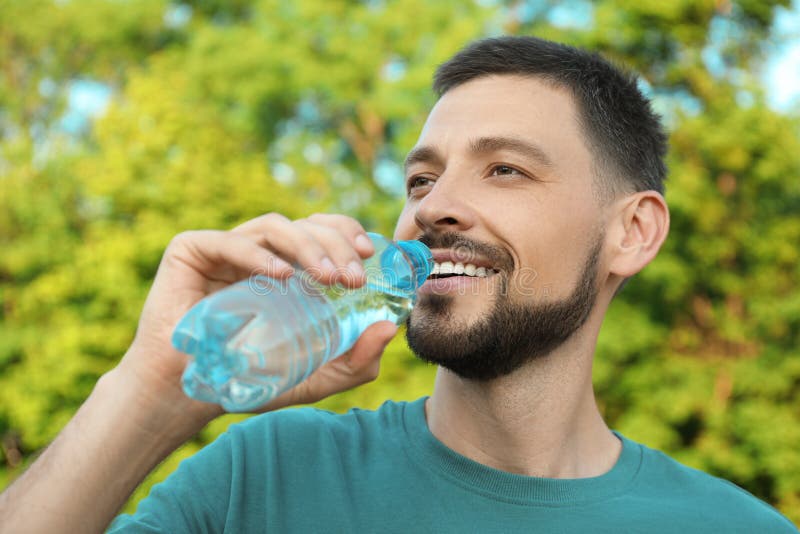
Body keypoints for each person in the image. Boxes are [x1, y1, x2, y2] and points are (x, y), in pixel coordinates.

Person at [0, 36, 796, 533]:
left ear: (634, 232)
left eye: (505, 170)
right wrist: (154, 389)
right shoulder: (265, 481)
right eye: (419, 180)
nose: (433, 208)